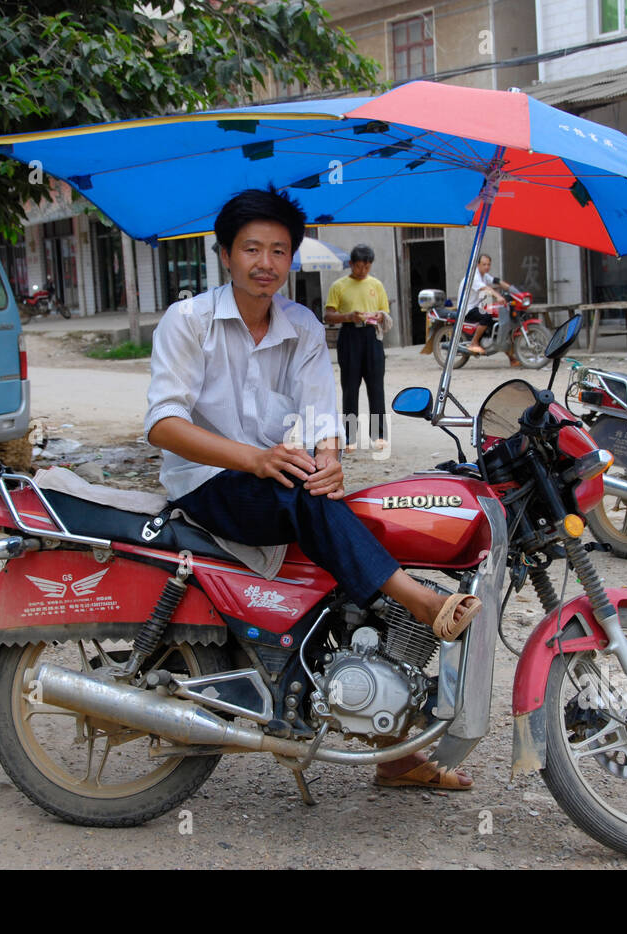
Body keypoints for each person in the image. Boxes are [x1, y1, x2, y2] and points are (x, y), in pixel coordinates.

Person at [144, 186, 480, 790]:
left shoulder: (299, 325)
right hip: (206, 483)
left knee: (348, 538)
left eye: (279, 250)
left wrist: (329, 459)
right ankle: (424, 604)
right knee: (306, 500)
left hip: (278, 479)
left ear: (292, 258)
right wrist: (254, 458)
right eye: (251, 249)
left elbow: (321, 412)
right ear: (225, 254)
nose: (265, 263)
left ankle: (390, 747)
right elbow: (163, 424)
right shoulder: (188, 321)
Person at [324, 243, 390, 453]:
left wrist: (379, 316)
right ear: (351, 264)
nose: (362, 271)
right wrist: (348, 316)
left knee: (376, 387)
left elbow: (384, 312)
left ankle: (378, 435)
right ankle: (349, 437)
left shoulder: (377, 285)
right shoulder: (339, 285)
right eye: (359, 266)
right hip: (350, 334)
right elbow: (328, 315)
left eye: (367, 267)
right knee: (350, 388)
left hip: (372, 335)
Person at [464, 253, 520, 366]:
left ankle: (511, 358)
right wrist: (498, 297)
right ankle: (474, 343)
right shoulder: (474, 276)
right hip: (468, 308)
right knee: (487, 316)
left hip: (481, 303)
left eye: (488, 264)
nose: (487, 267)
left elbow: (497, 281)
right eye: (484, 264)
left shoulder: (485, 275)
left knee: (500, 324)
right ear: (478, 265)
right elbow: (486, 288)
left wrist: (515, 292)